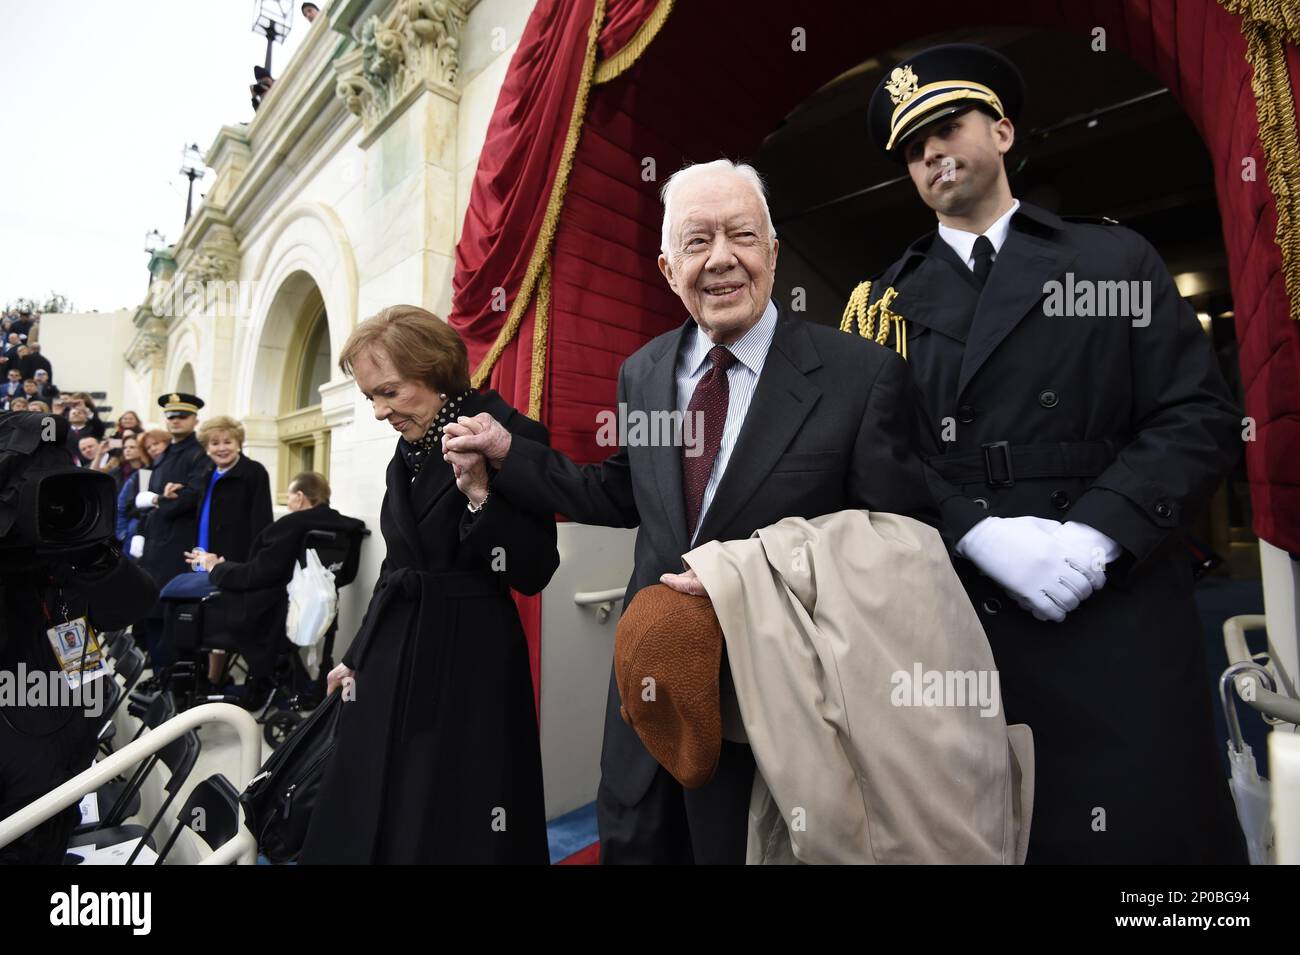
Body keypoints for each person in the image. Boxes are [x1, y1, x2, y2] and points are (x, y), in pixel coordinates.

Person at [443, 159, 940, 864]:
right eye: (697, 240)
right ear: (668, 266)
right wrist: (509, 453)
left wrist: (750, 573)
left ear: (773, 252)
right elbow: (620, 491)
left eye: (742, 234)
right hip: (650, 706)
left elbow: (897, 544)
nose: (722, 258)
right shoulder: (643, 372)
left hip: (776, 715)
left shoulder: (860, 375)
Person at [857, 43, 1245, 864]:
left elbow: (1195, 414)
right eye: (909, 147)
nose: (927, 152)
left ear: (1000, 131)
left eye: (944, 126)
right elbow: (877, 456)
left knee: (1150, 836)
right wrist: (977, 532)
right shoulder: (882, 303)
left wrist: (1098, 533)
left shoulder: (1111, 258)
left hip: (1121, 599)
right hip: (967, 612)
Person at [300, 305, 559, 864]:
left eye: (388, 392)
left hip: (474, 655)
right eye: (371, 396)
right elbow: (396, 567)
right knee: (376, 800)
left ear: (436, 372)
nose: (378, 411)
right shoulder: (408, 449)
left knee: (463, 813)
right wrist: (356, 654)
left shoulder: (510, 432)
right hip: (395, 650)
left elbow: (535, 569)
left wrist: (480, 494)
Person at [187, 472, 364, 705]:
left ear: (300, 497)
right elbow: (345, 575)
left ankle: (219, 682)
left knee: (201, 600)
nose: (288, 503)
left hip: (274, 614)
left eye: (289, 497)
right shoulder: (348, 528)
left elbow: (258, 574)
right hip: (321, 612)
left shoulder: (292, 524)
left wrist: (215, 567)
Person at [133, 393, 210, 668]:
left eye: (182, 416)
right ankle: (159, 671)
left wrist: (157, 500)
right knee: (152, 612)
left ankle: (171, 677)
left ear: (194, 419)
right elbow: (156, 499)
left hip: (178, 546)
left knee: (170, 614)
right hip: (155, 545)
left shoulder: (198, 454)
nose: (176, 420)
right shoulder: (165, 455)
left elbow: (190, 498)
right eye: (171, 416)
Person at [116, 433, 155, 544]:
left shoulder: (146, 472)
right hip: (131, 529)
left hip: (142, 529)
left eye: (132, 447)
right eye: (125, 447)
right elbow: (121, 506)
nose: (127, 450)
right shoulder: (119, 472)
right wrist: (122, 533)